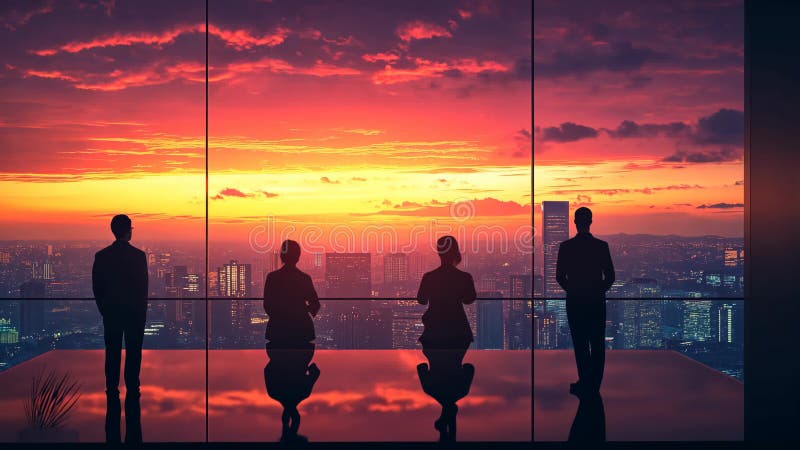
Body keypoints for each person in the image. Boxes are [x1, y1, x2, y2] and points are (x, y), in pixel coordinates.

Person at [91, 214, 148, 444]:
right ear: (129, 231)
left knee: (112, 350)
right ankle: (132, 386)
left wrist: (105, 310)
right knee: (134, 352)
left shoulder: (101, 256)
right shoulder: (138, 256)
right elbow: (143, 290)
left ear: (113, 230)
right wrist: (141, 315)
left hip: (112, 312)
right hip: (134, 314)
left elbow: (97, 288)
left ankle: (111, 386)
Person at [556, 207, 615, 395]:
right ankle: (595, 384)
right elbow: (611, 276)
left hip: (575, 303)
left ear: (575, 222)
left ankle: (584, 381)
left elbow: (559, 276)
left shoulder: (566, 247)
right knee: (597, 344)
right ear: (590, 222)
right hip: (596, 303)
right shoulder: (601, 246)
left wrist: (573, 291)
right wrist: (597, 291)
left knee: (580, 343)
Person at [416, 236, 477, 349]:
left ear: (439, 253)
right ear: (456, 252)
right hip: (458, 328)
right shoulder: (465, 277)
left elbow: (422, 300)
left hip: (434, 327)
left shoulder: (429, 277)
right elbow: (469, 299)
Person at [263, 240, 320, 345]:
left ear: (281, 256)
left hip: (277, 330)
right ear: (298, 257)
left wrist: (279, 316)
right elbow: (315, 304)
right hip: (302, 329)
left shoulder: (272, 278)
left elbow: (267, 305)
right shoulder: (304, 278)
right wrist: (301, 310)